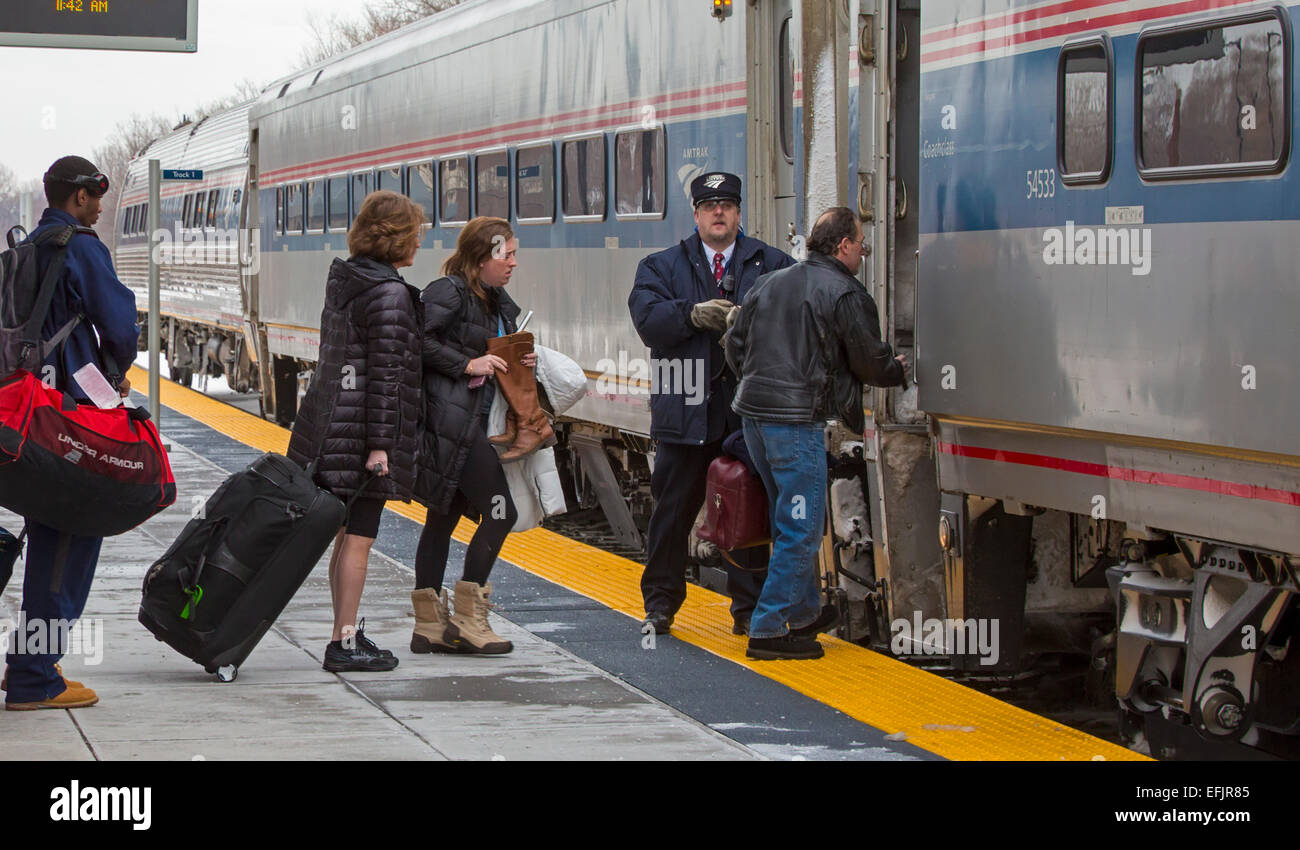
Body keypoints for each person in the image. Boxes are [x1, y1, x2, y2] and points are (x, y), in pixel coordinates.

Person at [726, 206, 907, 660]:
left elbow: (734, 343)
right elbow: (868, 361)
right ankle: (767, 629)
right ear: (843, 245)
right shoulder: (845, 292)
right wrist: (895, 369)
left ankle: (805, 613)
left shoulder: (770, 281)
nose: (864, 251)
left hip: (754, 420)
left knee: (789, 519)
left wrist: (755, 382)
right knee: (803, 525)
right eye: (861, 242)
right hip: (794, 423)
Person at [628, 172, 795, 636]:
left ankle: (749, 610)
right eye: (710, 205)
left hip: (745, 411)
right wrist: (691, 314)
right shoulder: (661, 266)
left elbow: (791, 322)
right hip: (684, 409)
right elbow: (648, 320)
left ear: (739, 213)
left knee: (747, 509)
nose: (719, 212)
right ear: (696, 214)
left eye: (727, 204)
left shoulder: (773, 262)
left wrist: (749, 323)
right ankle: (659, 606)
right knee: (671, 513)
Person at [4, 156, 139, 710]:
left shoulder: (26, 247)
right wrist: (116, 365)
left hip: (31, 412)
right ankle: (37, 677)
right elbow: (121, 325)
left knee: (50, 530)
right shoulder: (80, 246)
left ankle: (32, 664)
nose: (102, 208)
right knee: (73, 533)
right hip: (73, 416)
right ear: (79, 197)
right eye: (96, 198)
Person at [287, 190, 425, 672]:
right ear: (397, 238)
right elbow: (385, 379)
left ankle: (342, 634)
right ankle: (343, 645)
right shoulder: (388, 293)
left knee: (347, 537)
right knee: (360, 541)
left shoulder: (346, 280)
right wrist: (380, 447)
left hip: (331, 428)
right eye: (415, 234)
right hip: (361, 438)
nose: (419, 244)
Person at [411, 216, 528, 655]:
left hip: (471, 419)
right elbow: (415, 340)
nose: (514, 263)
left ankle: (428, 626)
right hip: (451, 422)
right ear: (481, 259)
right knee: (501, 513)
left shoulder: (495, 300)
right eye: (507, 254)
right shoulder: (450, 292)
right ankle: (468, 618)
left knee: (443, 517)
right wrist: (467, 365)